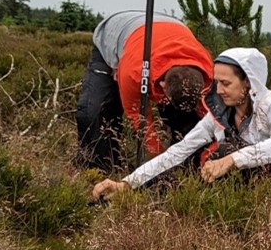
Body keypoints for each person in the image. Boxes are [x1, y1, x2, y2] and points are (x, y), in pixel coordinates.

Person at [91, 47, 271, 200]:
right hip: (238, 192)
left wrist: (231, 160)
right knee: (197, 159)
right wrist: (127, 184)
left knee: (225, 152)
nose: (219, 90)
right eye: (216, 82)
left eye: (226, 83)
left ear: (248, 82)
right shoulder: (219, 112)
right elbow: (179, 151)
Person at [76, 10, 214, 170]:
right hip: (115, 32)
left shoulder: (208, 71)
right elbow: (140, 118)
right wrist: (159, 164)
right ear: (163, 86)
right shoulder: (134, 72)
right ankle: (101, 168)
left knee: (187, 116)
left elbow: (212, 119)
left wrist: (211, 156)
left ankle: (188, 166)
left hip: (171, 27)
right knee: (95, 110)